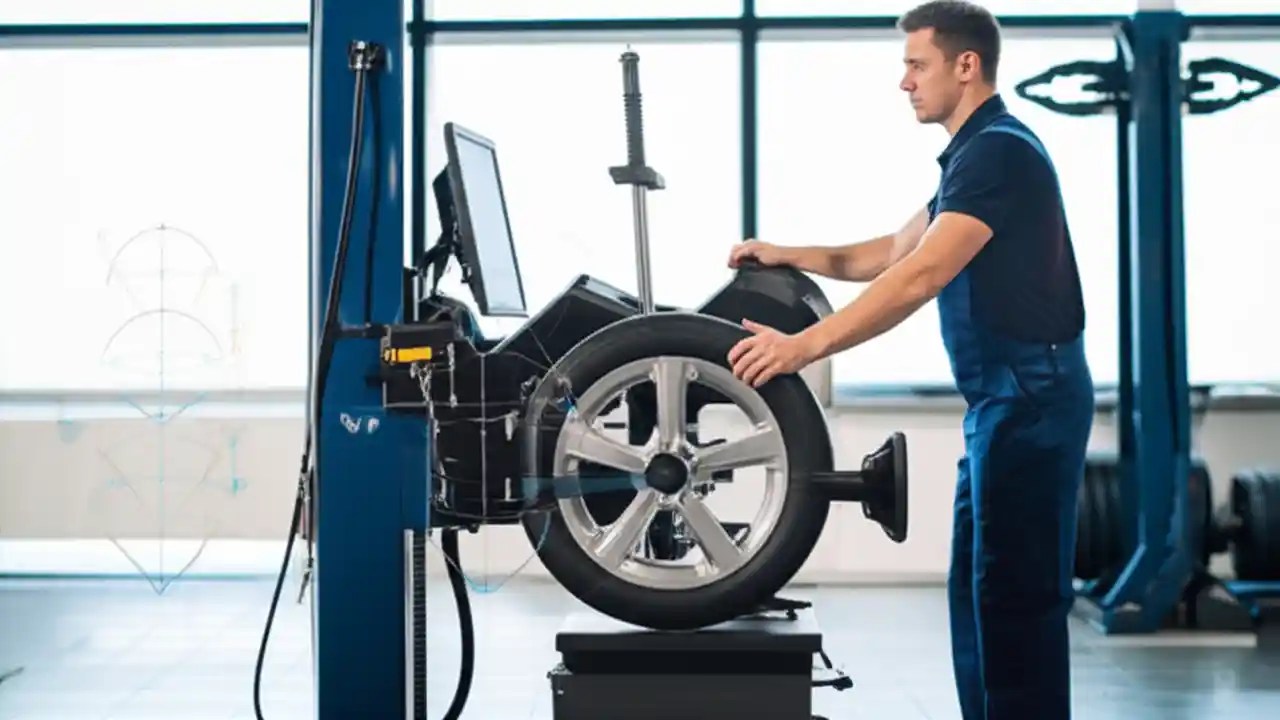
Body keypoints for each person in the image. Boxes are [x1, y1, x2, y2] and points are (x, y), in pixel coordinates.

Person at [726, 2, 1094, 719]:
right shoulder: (976, 154)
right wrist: (786, 251)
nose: (905, 83)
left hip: (1030, 397)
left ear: (967, 65)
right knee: (978, 588)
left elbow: (921, 279)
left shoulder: (1000, 154)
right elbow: (891, 254)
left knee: (1017, 596)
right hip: (1004, 401)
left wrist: (801, 348)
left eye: (916, 65)